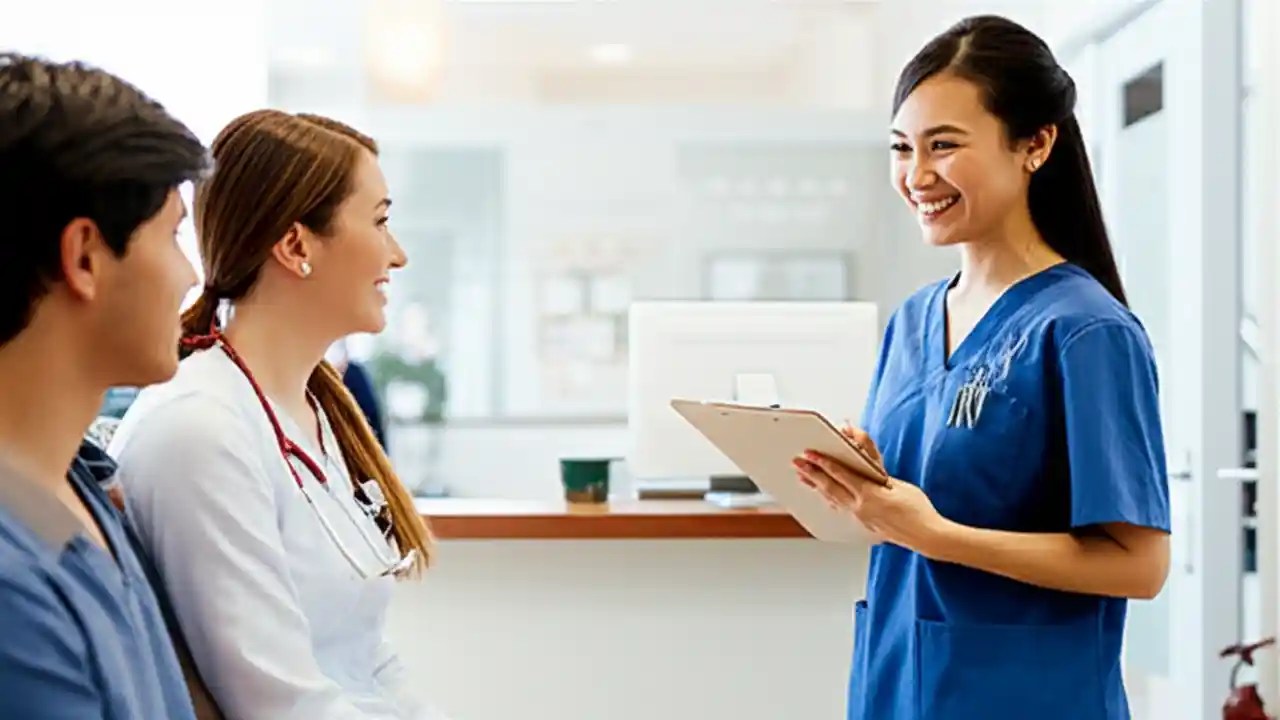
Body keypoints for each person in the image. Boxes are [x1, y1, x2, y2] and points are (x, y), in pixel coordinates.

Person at [791, 16, 1171, 720]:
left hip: (1024, 697)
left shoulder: (1085, 330)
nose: (916, 175)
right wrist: (865, 488)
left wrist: (935, 533)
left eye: (944, 146)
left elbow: (1139, 565)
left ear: (1036, 144)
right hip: (899, 679)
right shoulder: (912, 320)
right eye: (902, 148)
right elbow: (920, 509)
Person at [108, 109, 450, 719]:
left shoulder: (312, 409)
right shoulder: (200, 430)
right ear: (296, 246)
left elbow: (369, 661)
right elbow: (280, 706)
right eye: (379, 222)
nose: (397, 256)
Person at [0, 53, 209, 718]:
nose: (190, 277)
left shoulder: (76, 484)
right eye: (174, 236)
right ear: (85, 255)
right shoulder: (13, 591)